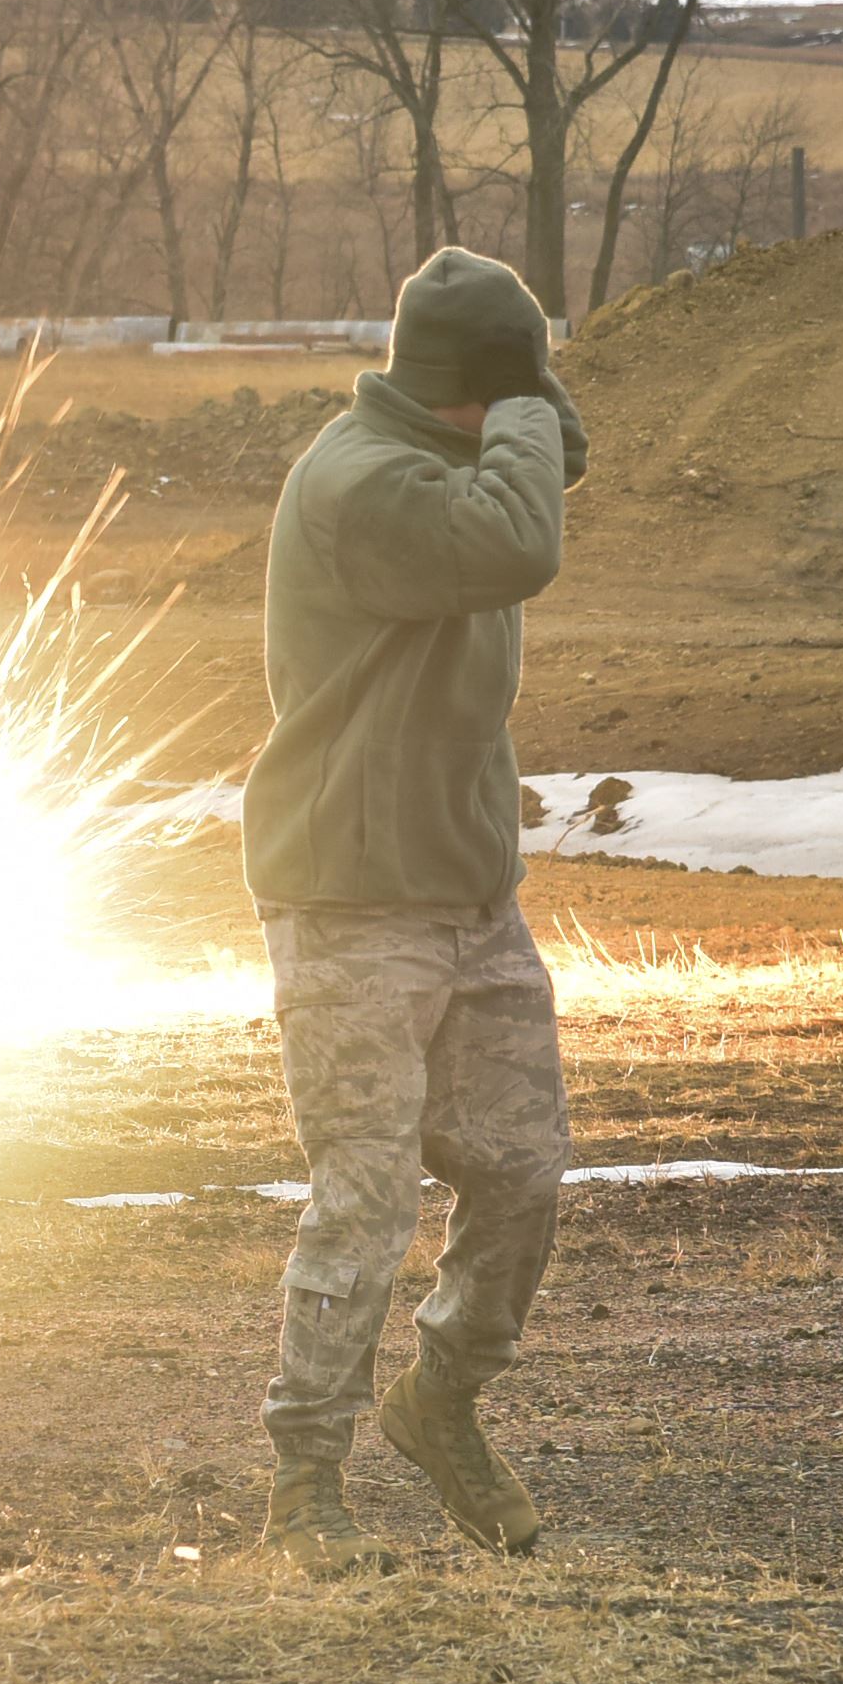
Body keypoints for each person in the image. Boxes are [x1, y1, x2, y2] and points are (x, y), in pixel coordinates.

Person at [241, 245, 587, 1578]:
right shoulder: (364, 483)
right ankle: (304, 1483)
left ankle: (438, 1403)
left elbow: (554, 476)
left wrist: (523, 404)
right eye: (510, 396)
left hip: (464, 888)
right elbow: (523, 535)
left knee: (522, 1174)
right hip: (349, 893)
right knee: (367, 1195)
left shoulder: (443, 459)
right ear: (465, 392)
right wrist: (522, 418)